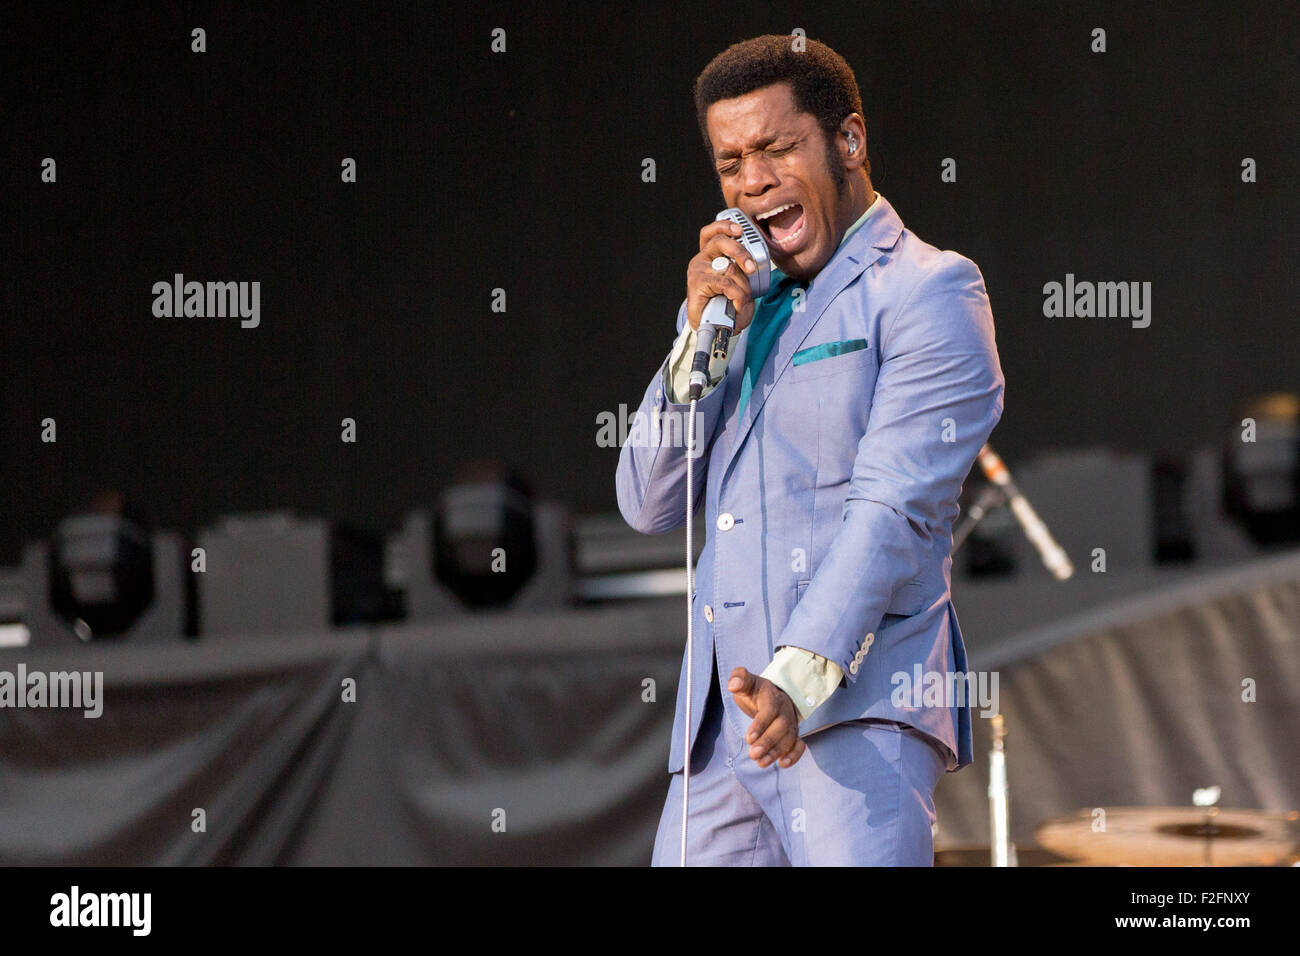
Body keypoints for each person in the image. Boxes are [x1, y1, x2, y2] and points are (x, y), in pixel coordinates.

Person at [615, 34, 1004, 865]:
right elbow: (647, 500)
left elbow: (893, 509)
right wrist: (700, 334)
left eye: (776, 148)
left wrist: (799, 677)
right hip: (721, 736)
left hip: (849, 713)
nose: (751, 180)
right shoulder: (737, 310)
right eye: (729, 163)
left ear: (849, 141)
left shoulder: (928, 289)